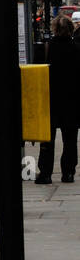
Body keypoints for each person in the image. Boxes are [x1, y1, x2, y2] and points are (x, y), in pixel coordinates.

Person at [40, 14, 80, 184]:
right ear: (71, 29)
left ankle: (46, 174)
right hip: (72, 102)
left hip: (50, 101)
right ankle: (68, 173)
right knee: (70, 140)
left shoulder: (46, 48)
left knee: (47, 139)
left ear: (54, 29)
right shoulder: (77, 48)